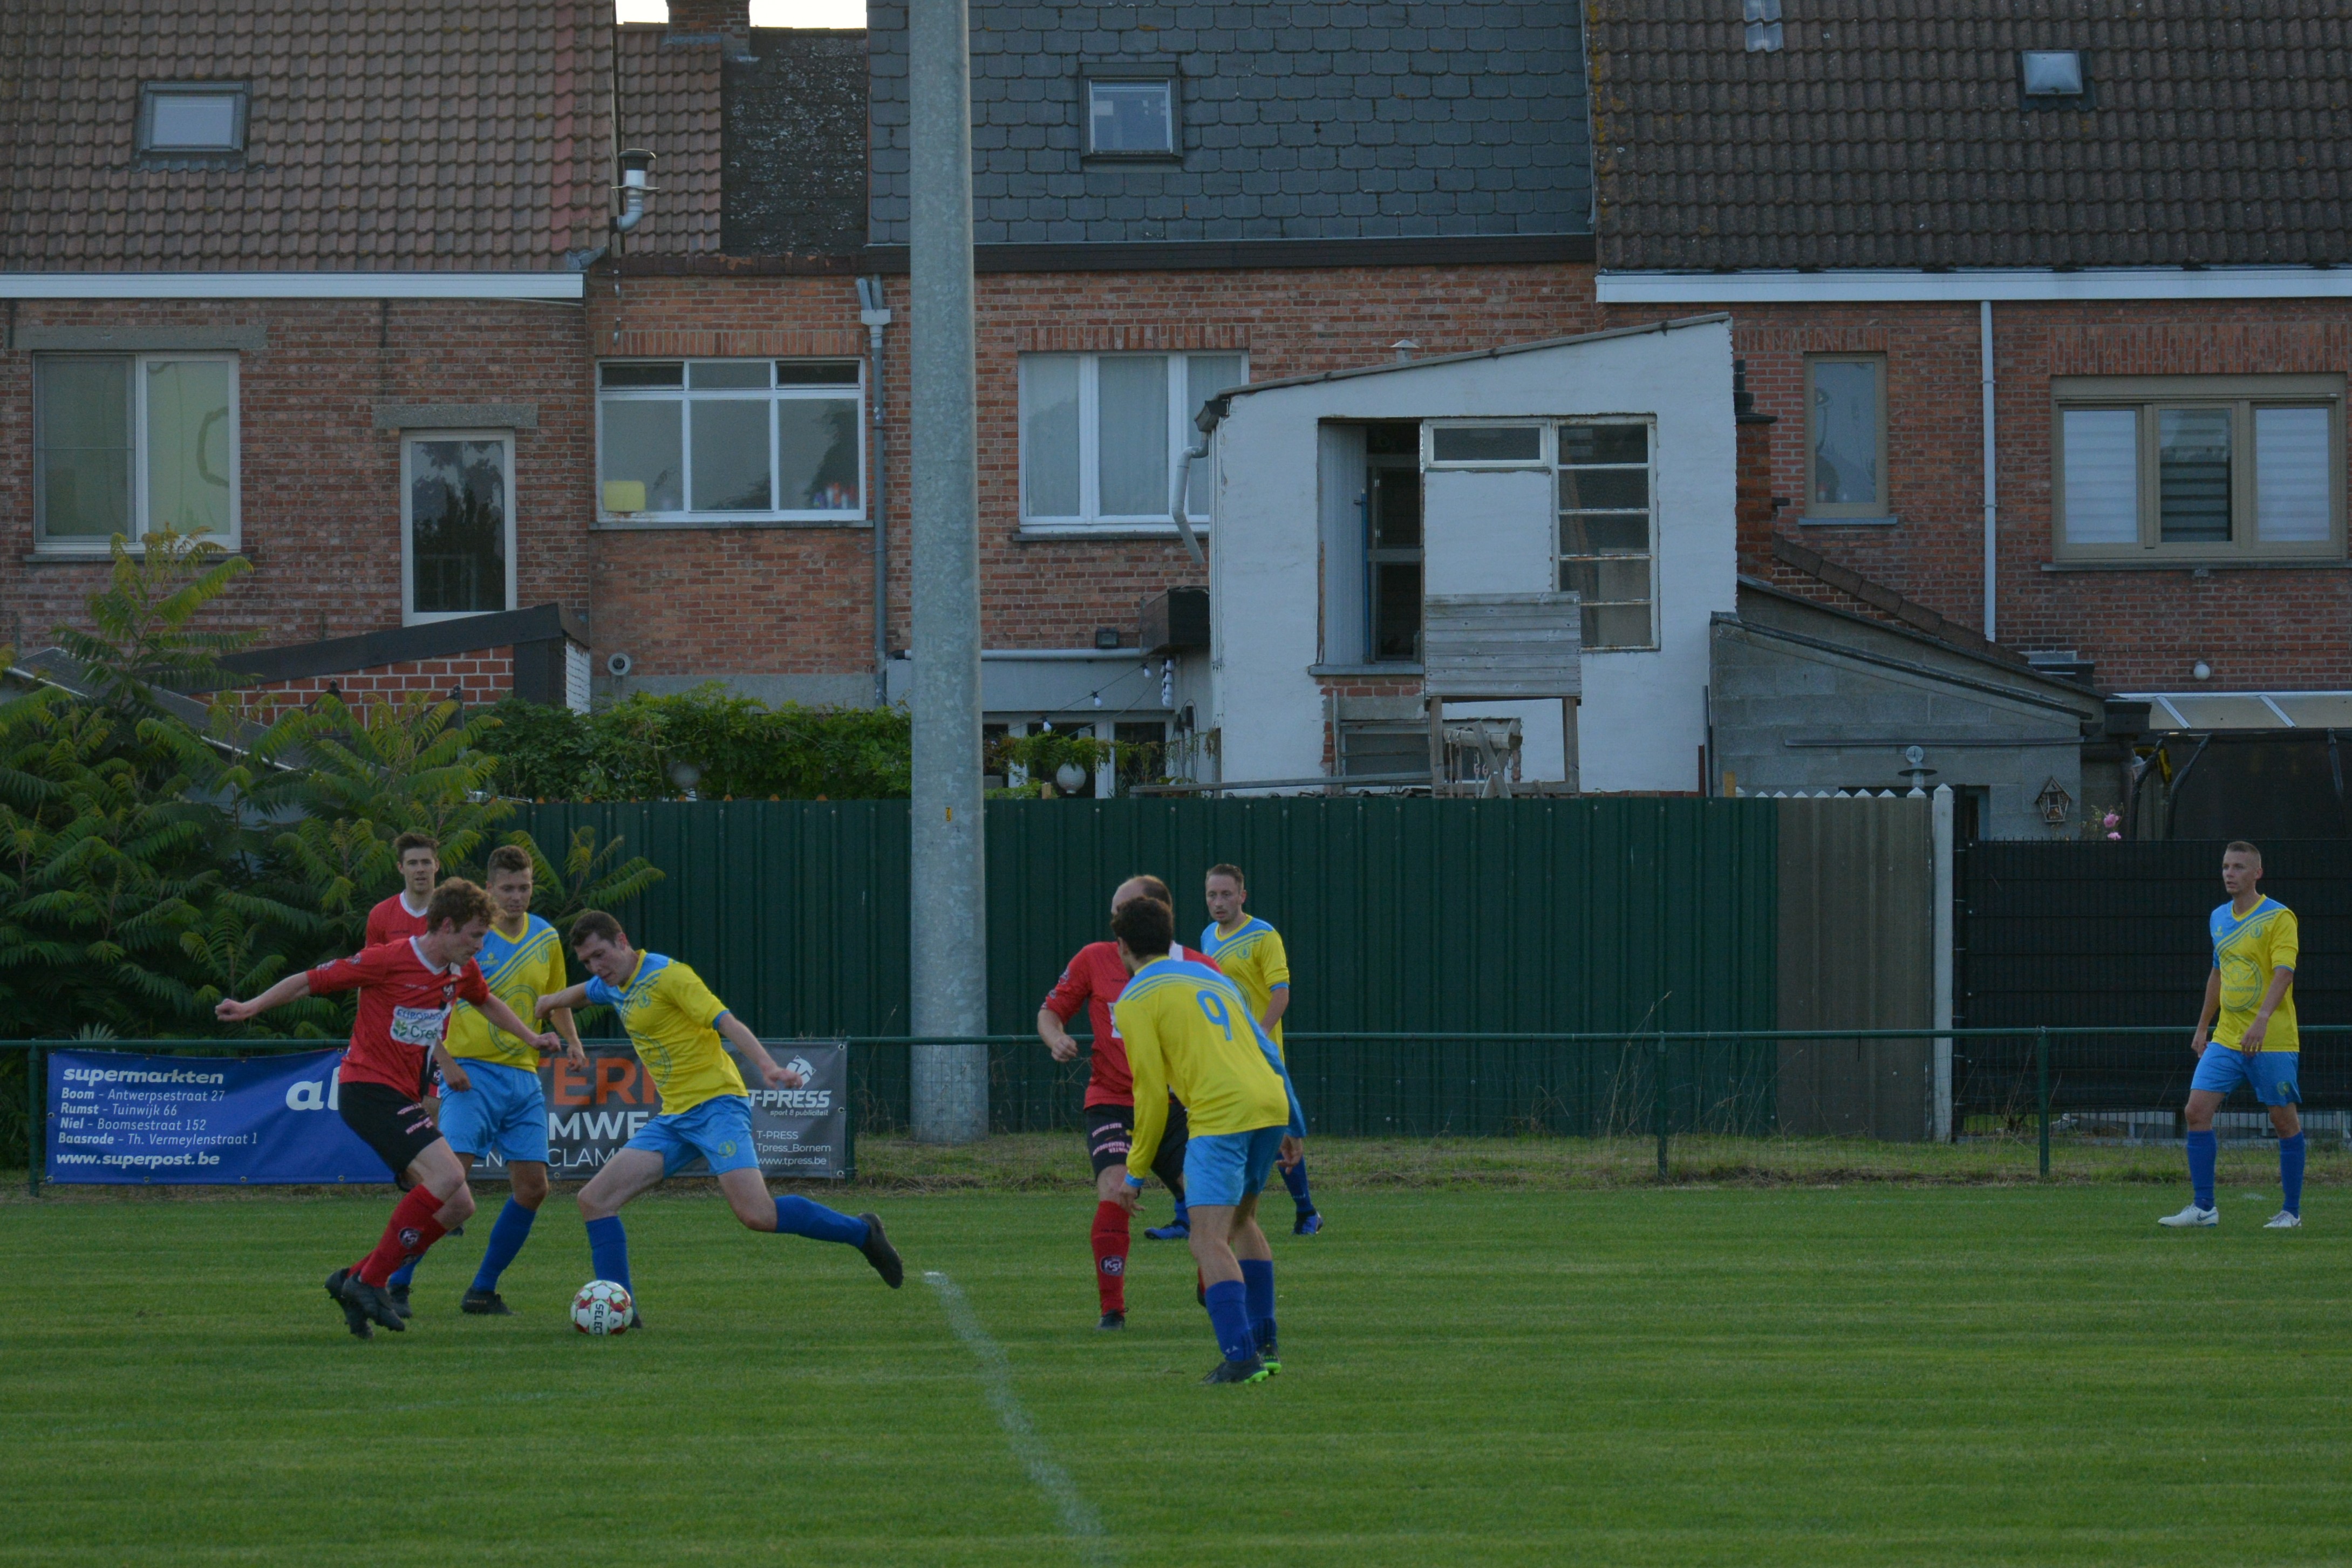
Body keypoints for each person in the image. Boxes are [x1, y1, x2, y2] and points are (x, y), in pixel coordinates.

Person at [215, 878, 560, 1338]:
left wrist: (531, 1037)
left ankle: (354, 1278)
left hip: (401, 1096)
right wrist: (251, 1007)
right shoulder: (388, 959)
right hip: (366, 1088)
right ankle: (372, 1282)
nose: (480, 945)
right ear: (446, 926)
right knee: (447, 1177)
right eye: (475, 935)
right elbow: (309, 981)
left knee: (459, 1205)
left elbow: (485, 1000)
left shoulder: (460, 970)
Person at [535, 911, 903, 1323]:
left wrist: (767, 1066)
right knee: (594, 1200)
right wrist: (548, 1003)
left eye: (600, 955)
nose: (595, 968)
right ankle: (623, 1312)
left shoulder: (670, 976)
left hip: (717, 1107)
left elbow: (726, 1021)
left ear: (622, 941)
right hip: (675, 1118)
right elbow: (580, 995)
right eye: (586, 961)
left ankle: (862, 1232)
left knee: (757, 1215)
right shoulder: (612, 984)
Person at [384, 843, 587, 1317]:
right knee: (445, 1186)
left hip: (523, 1077)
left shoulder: (546, 936)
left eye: (524, 888)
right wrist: (446, 1061)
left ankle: (482, 1290)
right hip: (470, 1074)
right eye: (508, 889)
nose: (517, 897)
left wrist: (573, 1042)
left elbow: (553, 1000)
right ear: (490, 888)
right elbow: (425, 1001)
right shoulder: (469, 936)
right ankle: (395, 1282)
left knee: (534, 1188)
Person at [1109, 895, 1305, 1385]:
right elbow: (1267, 1049)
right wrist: (1293, 1123)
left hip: (1221, 1116)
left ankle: (1239, 1358)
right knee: (1242, 1220)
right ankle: (1264, 1344)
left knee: (1206, 1238)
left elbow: (1150, 1095)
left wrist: (1134, 1171)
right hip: (1268, 1104)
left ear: (1123, 946)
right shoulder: (1211, 976)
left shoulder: (1134, 998)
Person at [1038, 874, 1221, 1330]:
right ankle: (1112, 1310)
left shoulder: (1199, 967)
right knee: (1114, 1188)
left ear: (1157, 915)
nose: (1114, 923)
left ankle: (1213, 1282)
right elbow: (1050, 1011)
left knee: (1204, 1195)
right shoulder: (1094, 958)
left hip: (1174, 1106)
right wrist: (1055, 1038)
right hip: (1112, 1100)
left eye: (1122, 912)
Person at [2162, 841, 2306, 1230]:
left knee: (2283, 1122)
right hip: (2226, 1037)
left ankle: (2291, 1212)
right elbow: (2218, 973)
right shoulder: (2218, 917)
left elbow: (2284, 973)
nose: (2230, 873)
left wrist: (2262, 1019)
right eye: (2226, 866)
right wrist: (2202, 1026)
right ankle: (2204, 1208)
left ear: (2257, 873)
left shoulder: (2279, 917)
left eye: (2239, 867)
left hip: (2271, 1038)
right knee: (2195, 1111)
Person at [1202, 863, 1319, 1234]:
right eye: (1212, 895)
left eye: (1226, 894)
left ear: (1242, 896)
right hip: (1225, 1054)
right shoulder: (1207, 937)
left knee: (1278, 1132)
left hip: (1259, 1056)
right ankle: (1211, 1215)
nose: (1218, 902)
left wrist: (1260, 1035)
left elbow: (1280, 993)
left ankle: (1306, 1212)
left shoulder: (1263, 935)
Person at [366, 832, 442, 946]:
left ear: (436, 865)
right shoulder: (380, 914)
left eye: (426, 863)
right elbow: (371, 957)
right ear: (401, 868)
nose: (420, 869)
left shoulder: (454, 912)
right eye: (413, 863)